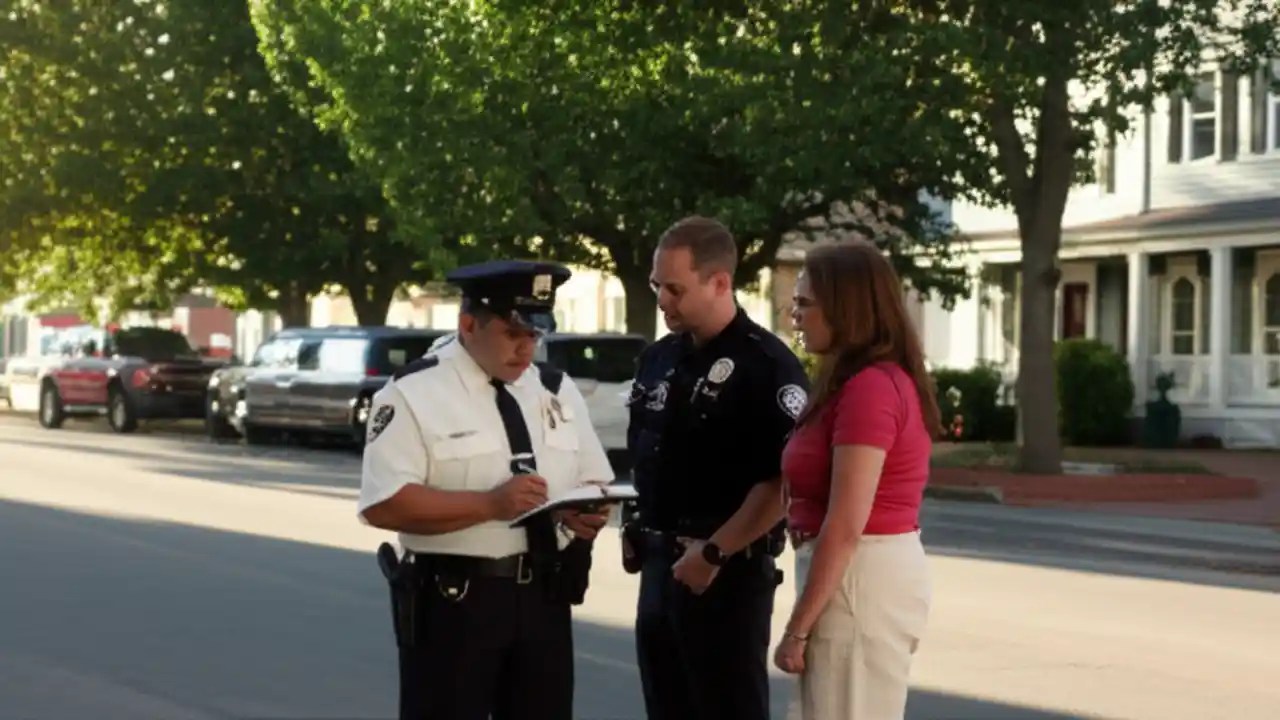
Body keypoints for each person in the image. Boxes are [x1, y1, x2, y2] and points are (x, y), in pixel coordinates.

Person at [357, 259, 615, 720]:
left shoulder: (555, 389)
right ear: (468, 324)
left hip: (543, 597)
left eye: (534, 336)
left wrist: (581, 512)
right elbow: (385, 504)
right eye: (512, 333)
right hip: (455, 601)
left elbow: (592, 478)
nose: (525, 349)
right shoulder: (413, 392)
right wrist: (490, 504)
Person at [624, 215, 810, 720]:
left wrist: (713, 553)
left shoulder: (767, 367)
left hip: (725, 572)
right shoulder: (659, 359)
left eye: (676, 289)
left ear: (719, 282)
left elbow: (781, 482)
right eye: (657, 286)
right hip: (660, 567)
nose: (663, 300)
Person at [774, 240, 943, 720]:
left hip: (860, 580)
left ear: (846, 309)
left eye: (806, 304)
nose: (795, 316)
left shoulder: (871, 389)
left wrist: (797, 629)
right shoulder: (849, 382)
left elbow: (847, 522)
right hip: (851, 576)